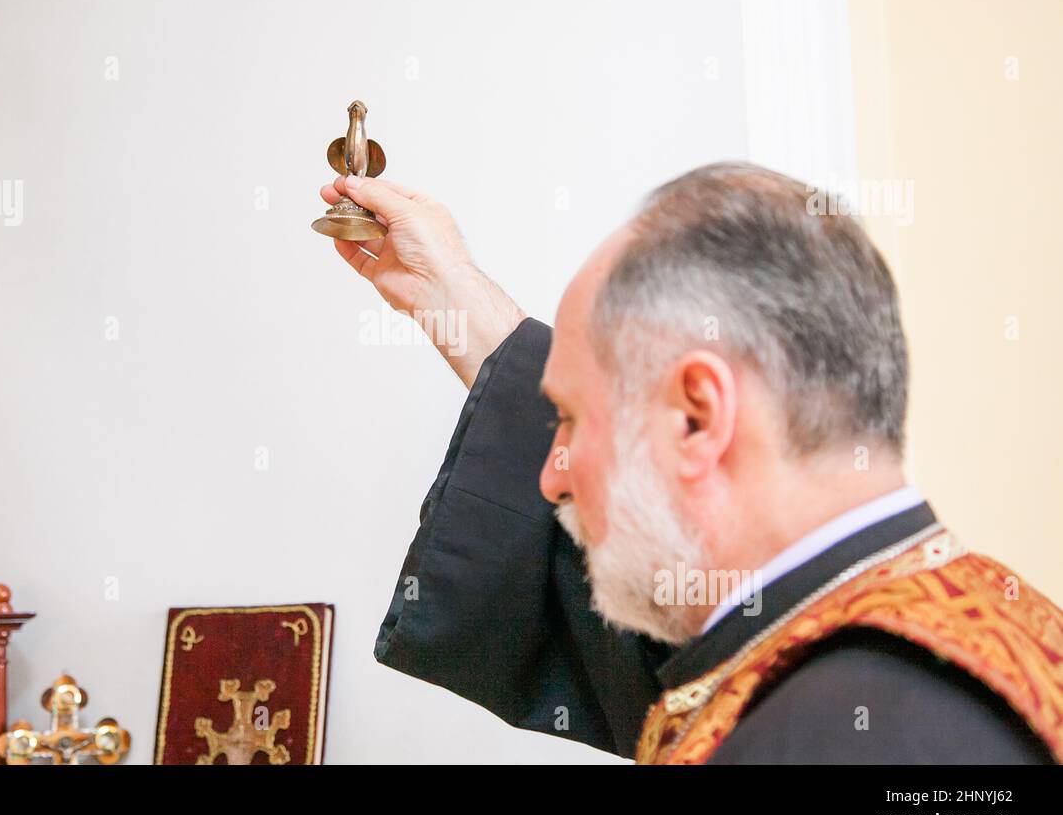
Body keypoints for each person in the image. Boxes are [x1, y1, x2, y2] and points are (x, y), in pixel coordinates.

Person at [322, 162, 1063, 763]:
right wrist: (450, 298)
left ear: (698, 417)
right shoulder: (975, 625)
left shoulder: (843, 734)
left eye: (571, 418)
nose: (548, 475)